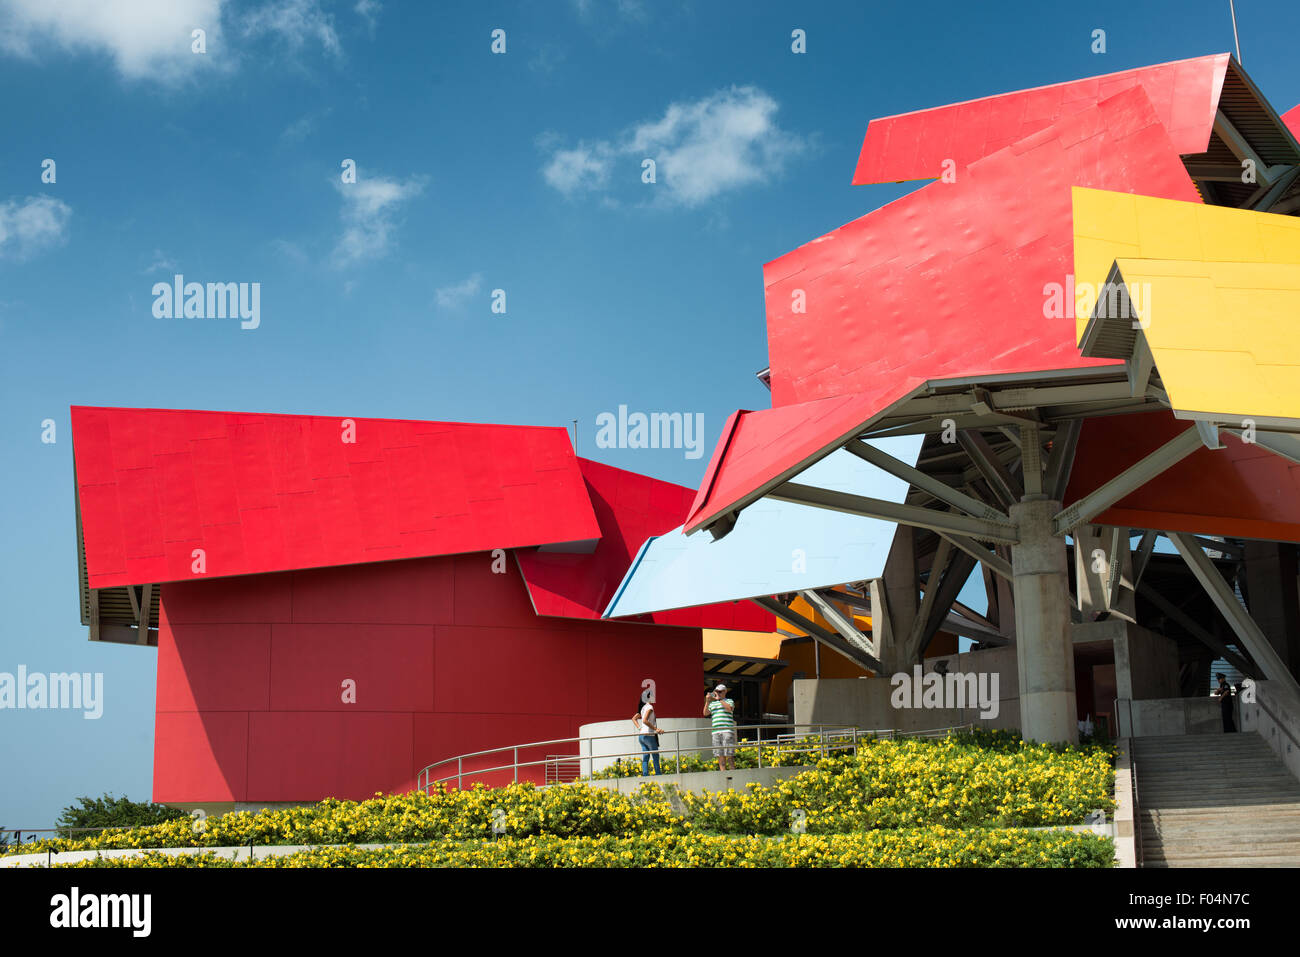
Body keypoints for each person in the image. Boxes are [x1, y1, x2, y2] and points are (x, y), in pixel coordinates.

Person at [704, 683, 736, 770]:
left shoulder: (729, 701)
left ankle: (732, 772)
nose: (718, 693)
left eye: (720, 691)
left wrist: (720, 699)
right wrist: (707, 701)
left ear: (725, 692)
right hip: (716, 731)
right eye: (716, 691)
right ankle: (723, 773)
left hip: (727, 730)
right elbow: (705, 713)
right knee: (719, 754)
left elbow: (729, 708)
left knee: (729, 753)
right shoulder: (712, 704)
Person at [633, 691, 663, 775]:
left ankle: (645, 775)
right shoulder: (650, 707)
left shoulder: (643, 708)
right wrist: (656, 729)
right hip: (649, 735)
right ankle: (658, 775)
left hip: (642, 736)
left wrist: (640, 728)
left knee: (646, 757)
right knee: (655, 756)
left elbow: (635, 719)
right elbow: (645, 720)